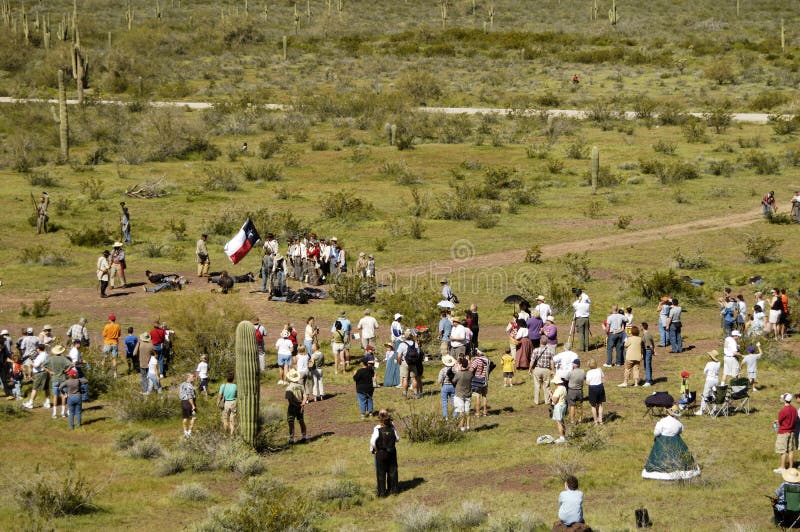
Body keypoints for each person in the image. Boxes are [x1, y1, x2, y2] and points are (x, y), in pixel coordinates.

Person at [642, 405, 700, 480]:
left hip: (662, 442)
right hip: (676, 441)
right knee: (683, 456)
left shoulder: (662, 421)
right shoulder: (678, 423)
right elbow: (681, 431)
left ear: (668, 413)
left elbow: (656, 433)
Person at [370, 409, 400, 497]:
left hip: (381, 453)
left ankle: (381, 493)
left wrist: (375, 449)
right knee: (392, 471)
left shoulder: (377, 429)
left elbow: (372, 441)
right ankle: (393, 490)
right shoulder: (392, 428)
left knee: (381, 473)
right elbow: (397, 439)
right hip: (391, 452)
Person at [43, 345, 71, 420]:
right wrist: (66, 371)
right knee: (64, 395)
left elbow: (43, 366)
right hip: (62, 379)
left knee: (55, 396)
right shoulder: (63, 359)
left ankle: (54, 413)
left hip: (54, 379)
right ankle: (63, 412)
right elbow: (71, 365)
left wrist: (50, 371)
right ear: (61, 351)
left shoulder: (51, 359)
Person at [776, 393, 799, 474]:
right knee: (791, 450)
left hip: (783, 432)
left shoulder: (783, 410)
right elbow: (795, 419)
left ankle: (782, 467)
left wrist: (777, 423)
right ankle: (791, 467)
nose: (781, 398)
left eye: (782, 398)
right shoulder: (794, 409)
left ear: (785, 400)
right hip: (792, 432)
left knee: (783, 450)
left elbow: (780, 421)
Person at [23, 344, 49, 409]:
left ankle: (30, 403)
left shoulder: (40, 356)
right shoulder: (46, 354)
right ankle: (47, 402)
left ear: (38, 349)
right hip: (45, 372)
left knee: (35, 388)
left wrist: (31, 362)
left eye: (36, 349)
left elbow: (36, 365)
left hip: (40, 373)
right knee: (46, 388)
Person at [285, 369, 307, 444]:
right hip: (300, 406)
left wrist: (295, 404)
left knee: (291, 422)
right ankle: (304, 436)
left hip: (292, 407)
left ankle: (291, 438)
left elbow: (289, 399)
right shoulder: (300, 386)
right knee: (301, 421)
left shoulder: (289, 388)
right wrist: (303, 403)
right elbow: (305, 396)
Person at [452, 357, 473, 432]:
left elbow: (454, 381)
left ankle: (462, 427)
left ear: (461, 365)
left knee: (461, 412)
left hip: (460, 394)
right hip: (468, 394)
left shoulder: (459, 374)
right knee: (468, 411)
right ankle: (468, 427)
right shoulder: (470, 374)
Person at [697, 350, 721, 416]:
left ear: (711, 357)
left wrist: (708, 374)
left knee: (705, 395)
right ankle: (714, 409)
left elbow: (705, 371)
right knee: (714, 395)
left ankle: (702, 410)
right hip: (716, 380)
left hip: (709, 380)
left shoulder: (709, 364)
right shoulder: (719, 363)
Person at [470, 349, 490, 418]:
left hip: (477, 381)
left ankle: (477, 413)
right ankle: (485, 412)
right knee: (484, 396)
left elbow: (471, 370)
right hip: (484, 380)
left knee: (477, 396)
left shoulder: (476, 360)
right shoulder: (486, 360)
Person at [585, 359, 605, 425]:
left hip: (592, 388)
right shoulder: (599, 370)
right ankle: (601, 420)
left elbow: (587, 382)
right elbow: (603, 378)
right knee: (600, 404)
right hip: (600, 387)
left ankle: (595, 421)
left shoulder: (588, 372)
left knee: (593, 406)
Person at [567, 359, 586, 424]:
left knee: (572, 406)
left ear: (574, 365)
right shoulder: (583, 371)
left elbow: (566, 378)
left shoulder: (571, 372)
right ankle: (580, 419)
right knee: (579, 406)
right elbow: (585, 378)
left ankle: (572, 421)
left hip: (571, 391)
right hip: (579, 390)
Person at [180, 373, 198, 438]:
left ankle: (185, 432)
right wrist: (193, 405)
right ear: (188, 377)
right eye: (192, 376)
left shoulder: (182, 384)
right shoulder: (189, 385)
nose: (194, 377)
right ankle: (189, 432)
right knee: (193, 417)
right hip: (189, 403)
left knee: (185, 418)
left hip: (183, 402)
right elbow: (190, 396)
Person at [551, 376, 568, 444]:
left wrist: (551, 395)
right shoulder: (564, 387)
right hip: (563, 404)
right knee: (562, 421)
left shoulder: (558, 390)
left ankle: (562, 437)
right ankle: (563, 436)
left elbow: (555, 401)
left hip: (559, 406)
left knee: (559, 422)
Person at [641, 322, 655, 386]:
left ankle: (648, 381)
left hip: (647, 351)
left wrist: (653, 352)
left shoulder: (646, 335)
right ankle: (649, 379)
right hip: (647, 351)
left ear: (643, 327)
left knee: (647, 366)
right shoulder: (648, 334)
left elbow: (649, 345)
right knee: (647, 365)